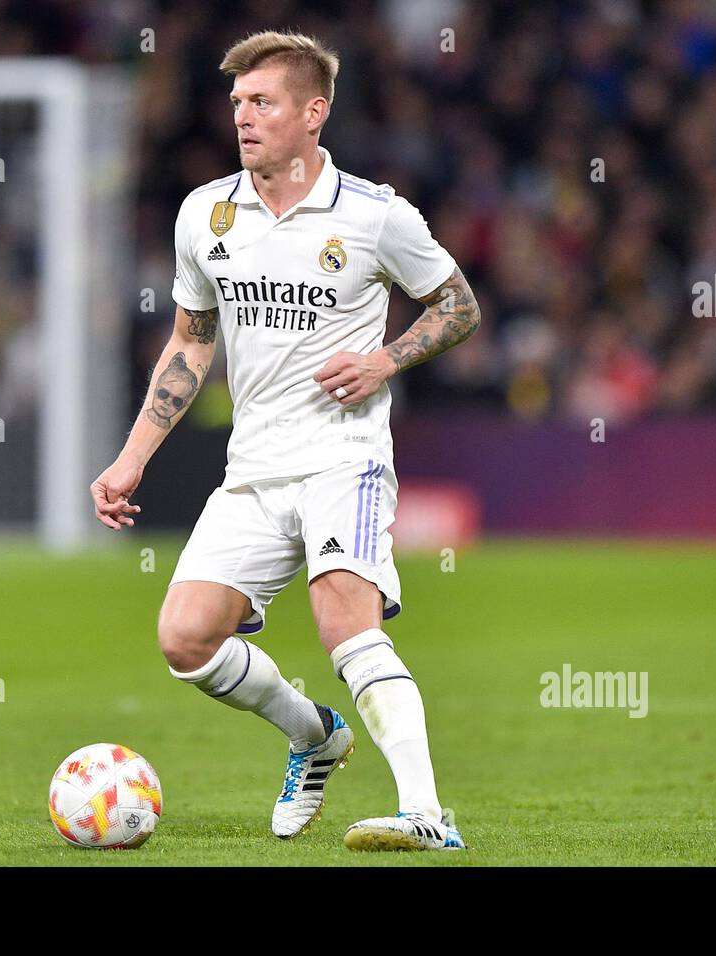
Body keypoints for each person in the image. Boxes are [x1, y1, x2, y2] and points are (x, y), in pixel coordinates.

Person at [90, 30, 480, 851]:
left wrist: (386, 358)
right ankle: (314, 734)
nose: (243, 116)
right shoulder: (206, 213)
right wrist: (130, 462)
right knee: (185, 638)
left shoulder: (376, 215)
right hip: (254, 467)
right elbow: (193, 341)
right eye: (236, 102)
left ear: (314, 112)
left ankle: (427, 814)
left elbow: (457, 305)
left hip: (346, 455)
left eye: (262, 101)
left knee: (345, 620)